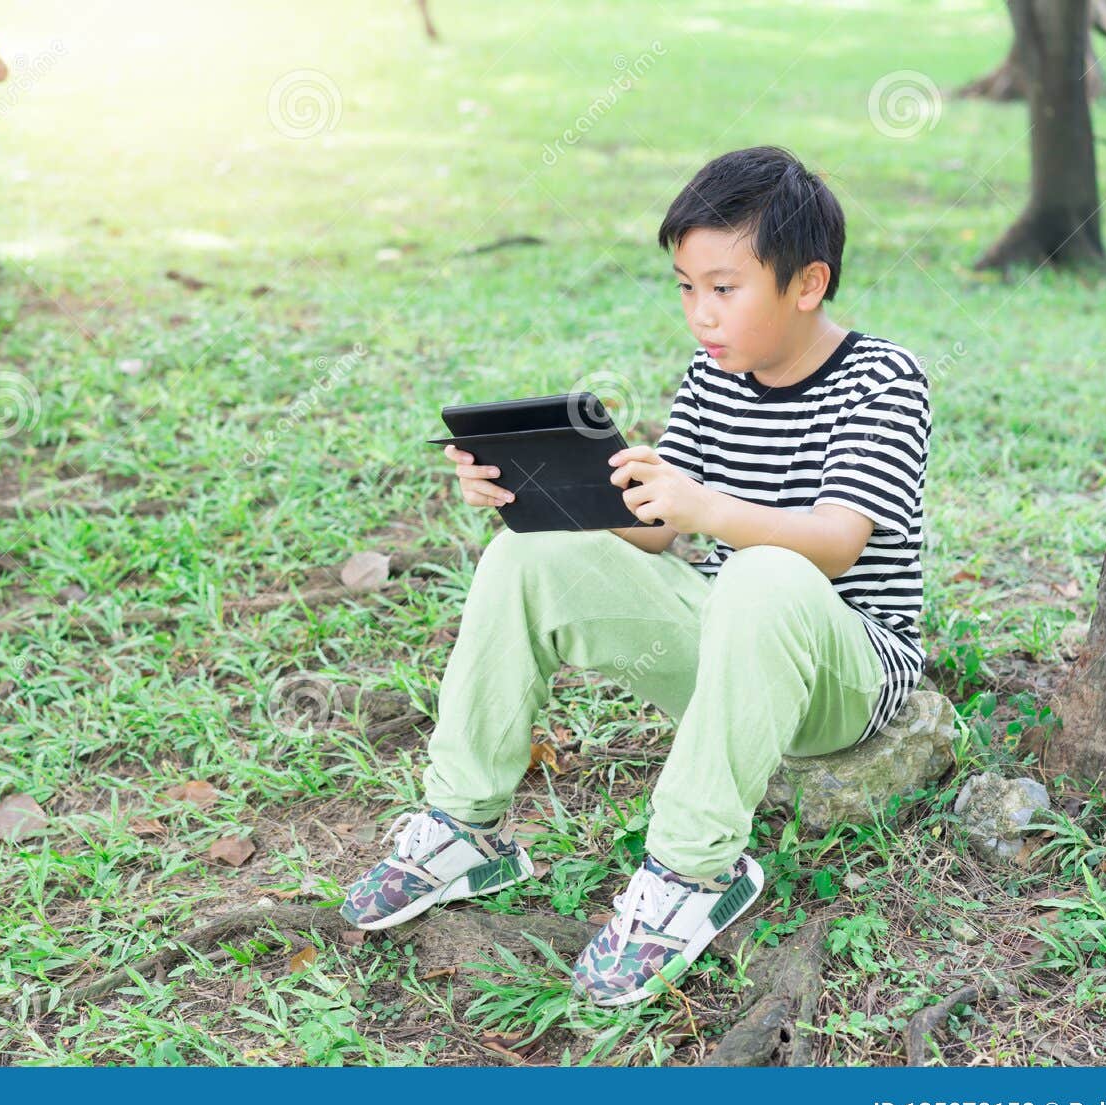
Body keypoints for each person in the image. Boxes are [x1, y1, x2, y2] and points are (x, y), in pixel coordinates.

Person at [340, 145, 931, 1007]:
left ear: (807, 283)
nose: (701, 313)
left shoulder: (884, 378)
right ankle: (464, 826)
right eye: (686, 287)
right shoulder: (713, 377)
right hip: (734, 648)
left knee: (762, 573)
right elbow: (658, 532)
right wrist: (538, 489)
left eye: (724, 288)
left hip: (843, 674)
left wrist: (706, 507)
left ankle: (692, 874)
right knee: (527, 550)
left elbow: (837, 542)